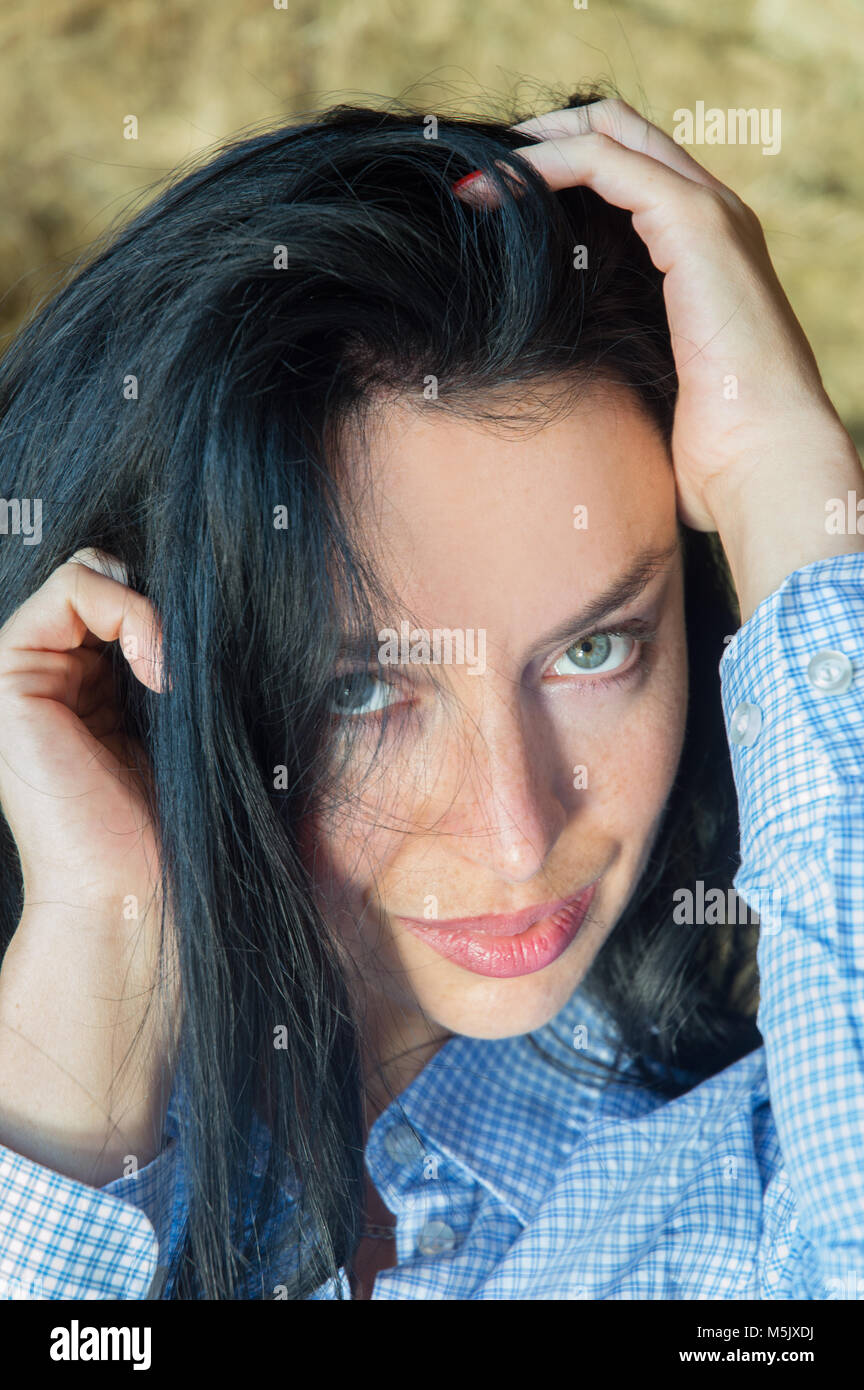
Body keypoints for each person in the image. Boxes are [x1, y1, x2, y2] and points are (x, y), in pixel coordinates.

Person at [0, 91, 862, 1301]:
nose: (520, 834)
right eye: (362, 689)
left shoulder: (774, 1210)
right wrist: (96, 942)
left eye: (596, 651)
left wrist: (794, 487)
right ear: (123, 668)